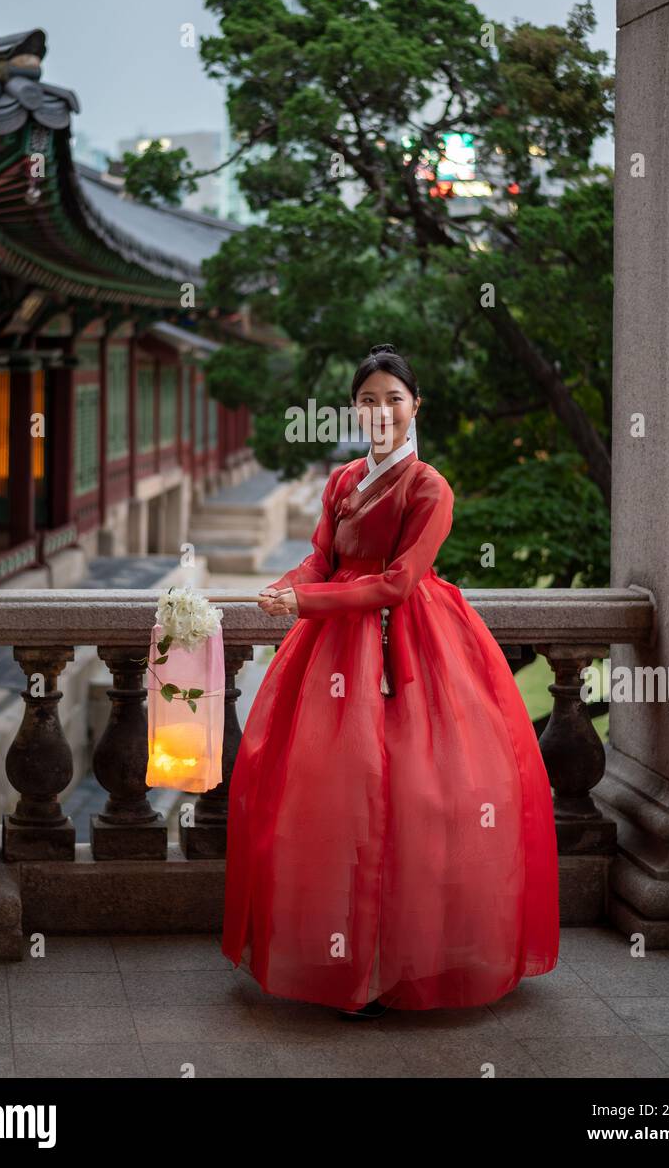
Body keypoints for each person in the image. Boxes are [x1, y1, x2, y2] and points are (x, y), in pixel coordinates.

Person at [221, 344, 560, 1018]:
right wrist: (284, 588)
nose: (380, 411)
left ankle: (399, 964)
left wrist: (307, 603)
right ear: (354, 410)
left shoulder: (427, 486)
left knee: (414, 797)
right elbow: (320, 559)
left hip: (411, 643)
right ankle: (349, 957)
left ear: (414, 408)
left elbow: (401, 583)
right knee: (332, 795)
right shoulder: (343, 479)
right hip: (332, 648)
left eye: (392, 399)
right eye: (368, 400)